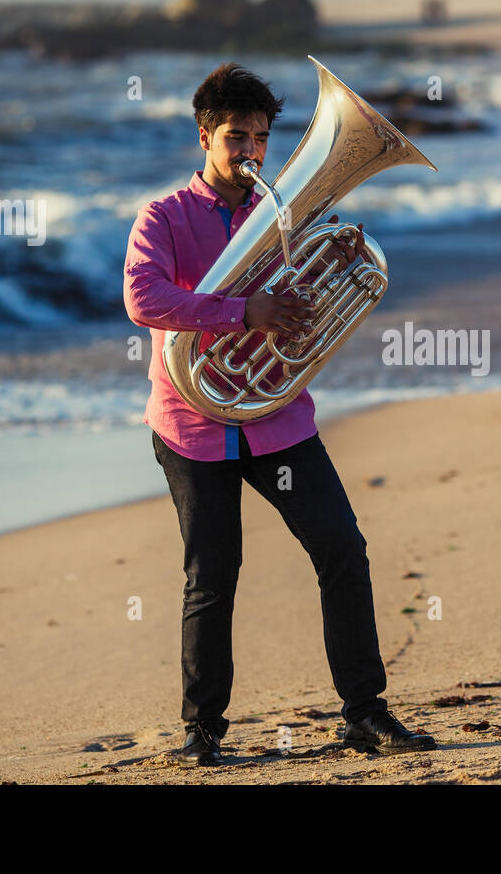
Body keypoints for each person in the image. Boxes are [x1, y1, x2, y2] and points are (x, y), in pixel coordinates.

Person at [123, 63, 436, 766]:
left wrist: (345, 268)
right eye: (237, 137)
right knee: (213, 574)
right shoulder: (165, 217)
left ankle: (364, 711)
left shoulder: (293, 218)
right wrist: (243, 313)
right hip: (193, 423)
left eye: (262, 138)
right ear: (205, 136)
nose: (252, 152)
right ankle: (202, 731)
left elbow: (306, 311)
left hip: (275, 417)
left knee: (342, 551)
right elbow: (143, 299)